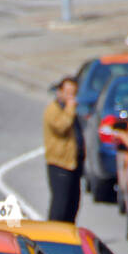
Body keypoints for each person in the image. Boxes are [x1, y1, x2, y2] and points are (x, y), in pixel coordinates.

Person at [43, 76, 82, 223]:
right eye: (68, 93)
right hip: (59, 164)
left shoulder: (68, 111)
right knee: (60, 205)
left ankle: (67, 235)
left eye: (74, 93)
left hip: (72, 163)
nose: (71, 97)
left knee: (73, 204)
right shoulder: (53, 110)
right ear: (59, 92)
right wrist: (71, 108)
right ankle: (53, 235)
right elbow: (61, 127)